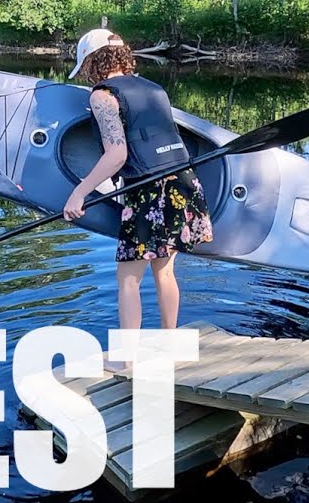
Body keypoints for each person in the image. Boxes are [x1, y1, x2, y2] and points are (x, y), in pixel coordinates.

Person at [61, 29, 214, 329]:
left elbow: (117, 155)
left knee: (128, 279)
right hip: (184, 183)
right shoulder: (154, 88)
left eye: (86, 68)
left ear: (93, 62)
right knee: (165, 272)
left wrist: (79, 193)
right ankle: (169, 344)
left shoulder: (103, 96)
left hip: (149, 191)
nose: (87, 77)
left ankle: (126, 360)